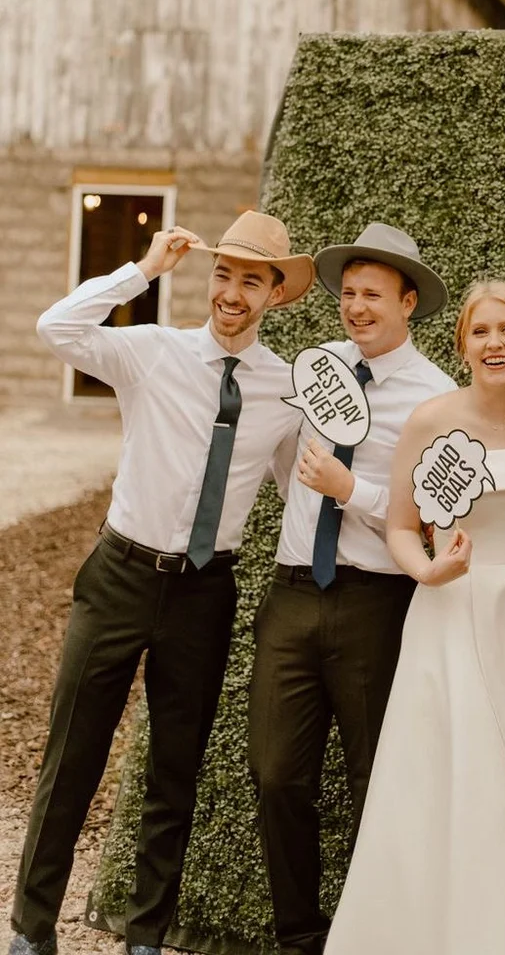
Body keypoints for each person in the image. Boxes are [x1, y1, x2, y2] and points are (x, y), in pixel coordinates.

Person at [10, 211, 315, 955]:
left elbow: (299, 490)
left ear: (275, 294)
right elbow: (57, 327)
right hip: (119, 575)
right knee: (71, 757)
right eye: (223, 274)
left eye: (250, 281)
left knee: (174, 769)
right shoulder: (154, 352)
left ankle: (145, 935)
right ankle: (32, 929)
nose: (231, 293)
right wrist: (143, 271)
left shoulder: (286, 391)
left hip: (204, 592)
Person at [323, 280, 505, 955]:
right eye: (479, 332)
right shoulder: (430, 420)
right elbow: (402, 527)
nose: (494, 344)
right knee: (455, 781)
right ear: (462, 346)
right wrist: (427, 571)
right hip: (454, 611)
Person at [247, 223, 455, 955]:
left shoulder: (436, 398)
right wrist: (311, 505)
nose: (357, 307)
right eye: (349, 294)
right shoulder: (320, 367)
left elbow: (433, 512)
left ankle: (376, 939)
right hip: (294, 593)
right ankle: (300, 938)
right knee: (275, 774)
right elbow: (285, 461)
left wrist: (351, 491)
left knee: (377, 780)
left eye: (373, 295)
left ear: (408, 302)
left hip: (377, 602)